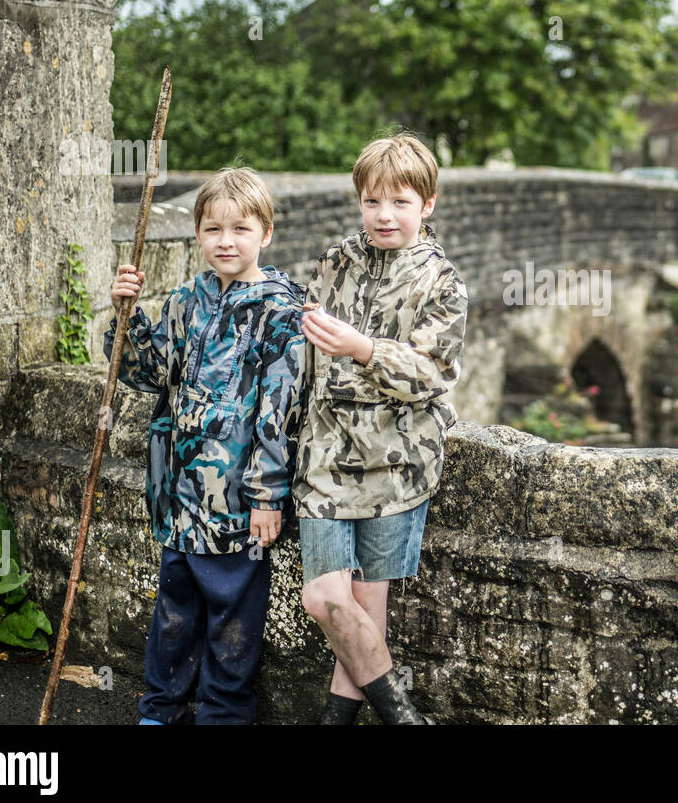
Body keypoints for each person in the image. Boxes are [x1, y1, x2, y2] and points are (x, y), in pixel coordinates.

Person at [105, 165, 305, 724]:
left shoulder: (281, 310)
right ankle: (162, 708)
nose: (226, 241)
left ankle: (222, 715)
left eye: (241, 229)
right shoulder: (186, 299)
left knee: (232, 623)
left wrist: (268, 495)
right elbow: (148, 373)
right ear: (197, 234)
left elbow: (279, 410)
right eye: (214, 229)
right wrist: (127, 317)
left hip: (238, 505)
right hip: (180, 497)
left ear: (265, 234)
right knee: (174, 613)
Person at [294, 132, 468, 725]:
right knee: (325, 599)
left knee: (368, 610)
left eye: (400, 201)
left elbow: (434, 374)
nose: (384, 215)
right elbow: (306, 359)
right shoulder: (333, 264)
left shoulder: (442, 283)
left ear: (428, 203)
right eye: (372, 201)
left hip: (399, 466)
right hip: (325, 461)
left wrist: (365, 349)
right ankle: (403, 717)